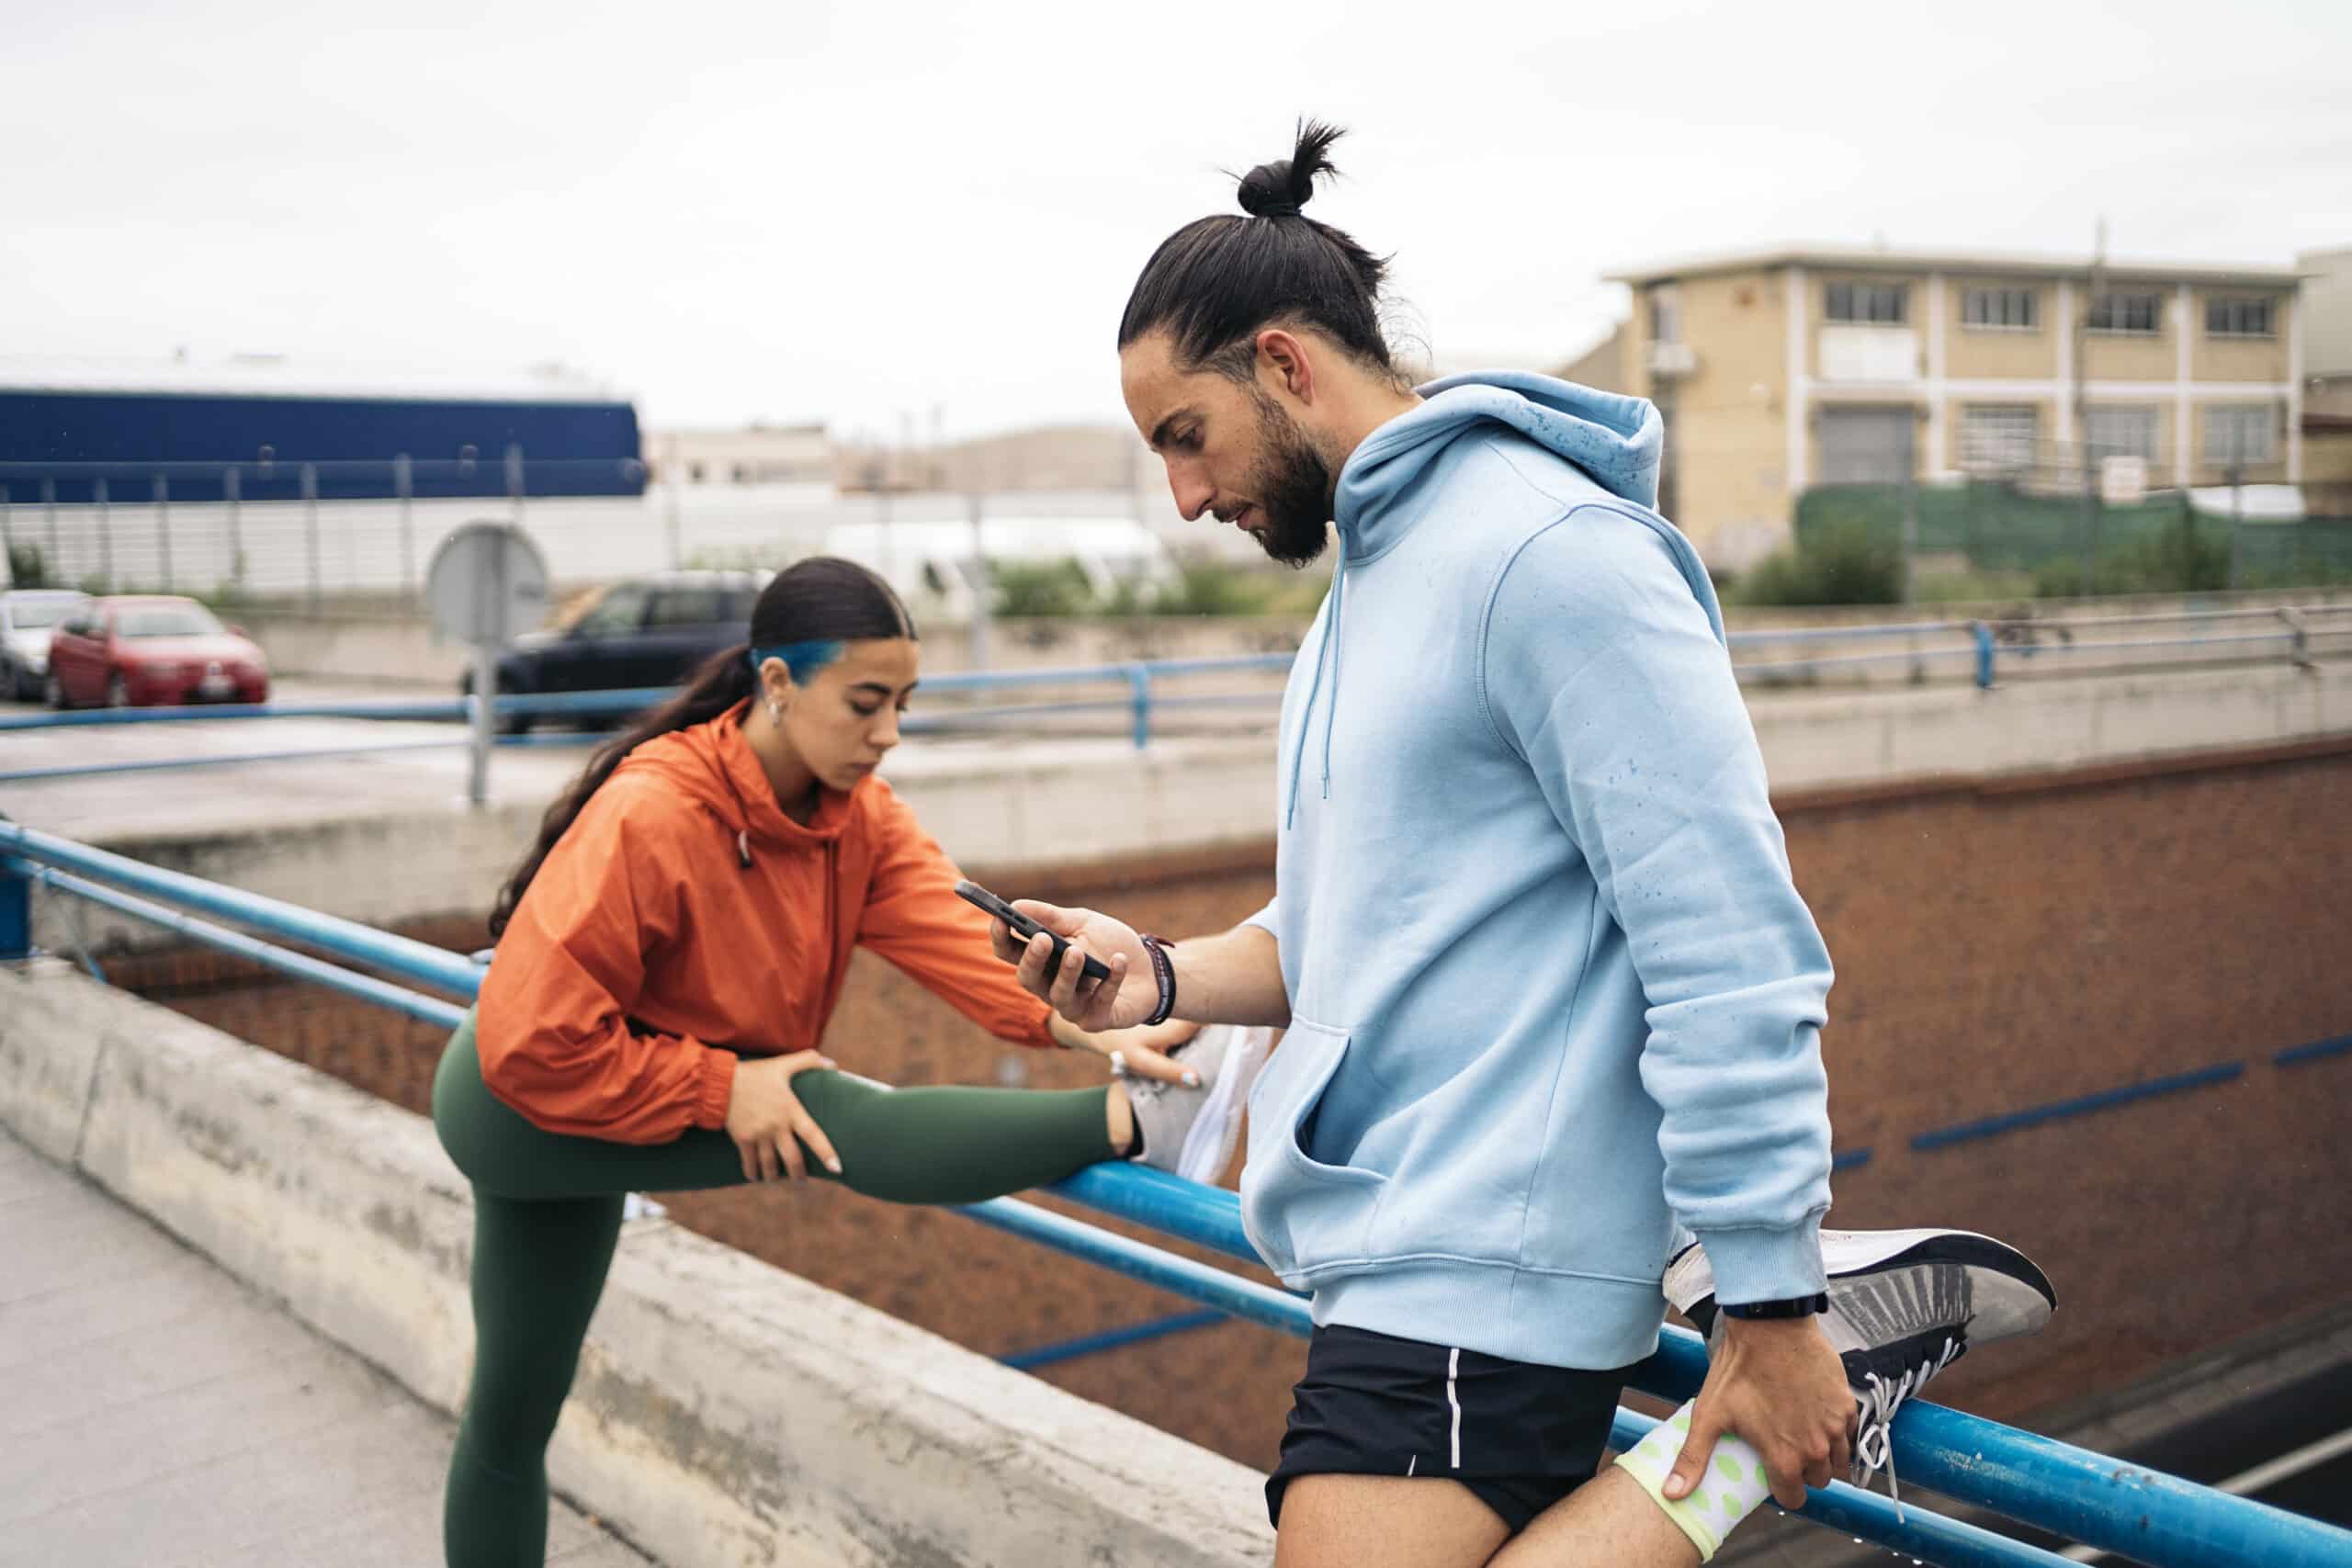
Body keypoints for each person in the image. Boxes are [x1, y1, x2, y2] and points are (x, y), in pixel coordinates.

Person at [991, 121, 2056, 1568]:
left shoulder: (1551, 553)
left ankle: (1797, 1380)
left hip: (1477, 1263)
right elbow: (1364, 937)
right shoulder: (1362, 598)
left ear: (1288, 365)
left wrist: (1770, 1299)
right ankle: (1757, 1421)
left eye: (1189, 436)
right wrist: (1161, 977)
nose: (1186, 494)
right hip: (1397, 1256)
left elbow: (1727, 937)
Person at [429, 556, 1253, 1568]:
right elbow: (531, 1040)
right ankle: (1140, 1127)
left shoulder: (854, 817)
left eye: (903, 703)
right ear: (776, 683)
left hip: (617, 1101)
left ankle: (1132, 1099)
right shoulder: (654, 815)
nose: (888, 733)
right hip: (522, 1105)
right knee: (826, 1116)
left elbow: (960, 944)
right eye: (866, 703)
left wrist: (1099, 1024)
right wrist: (726, 1086)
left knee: (513, 1414)